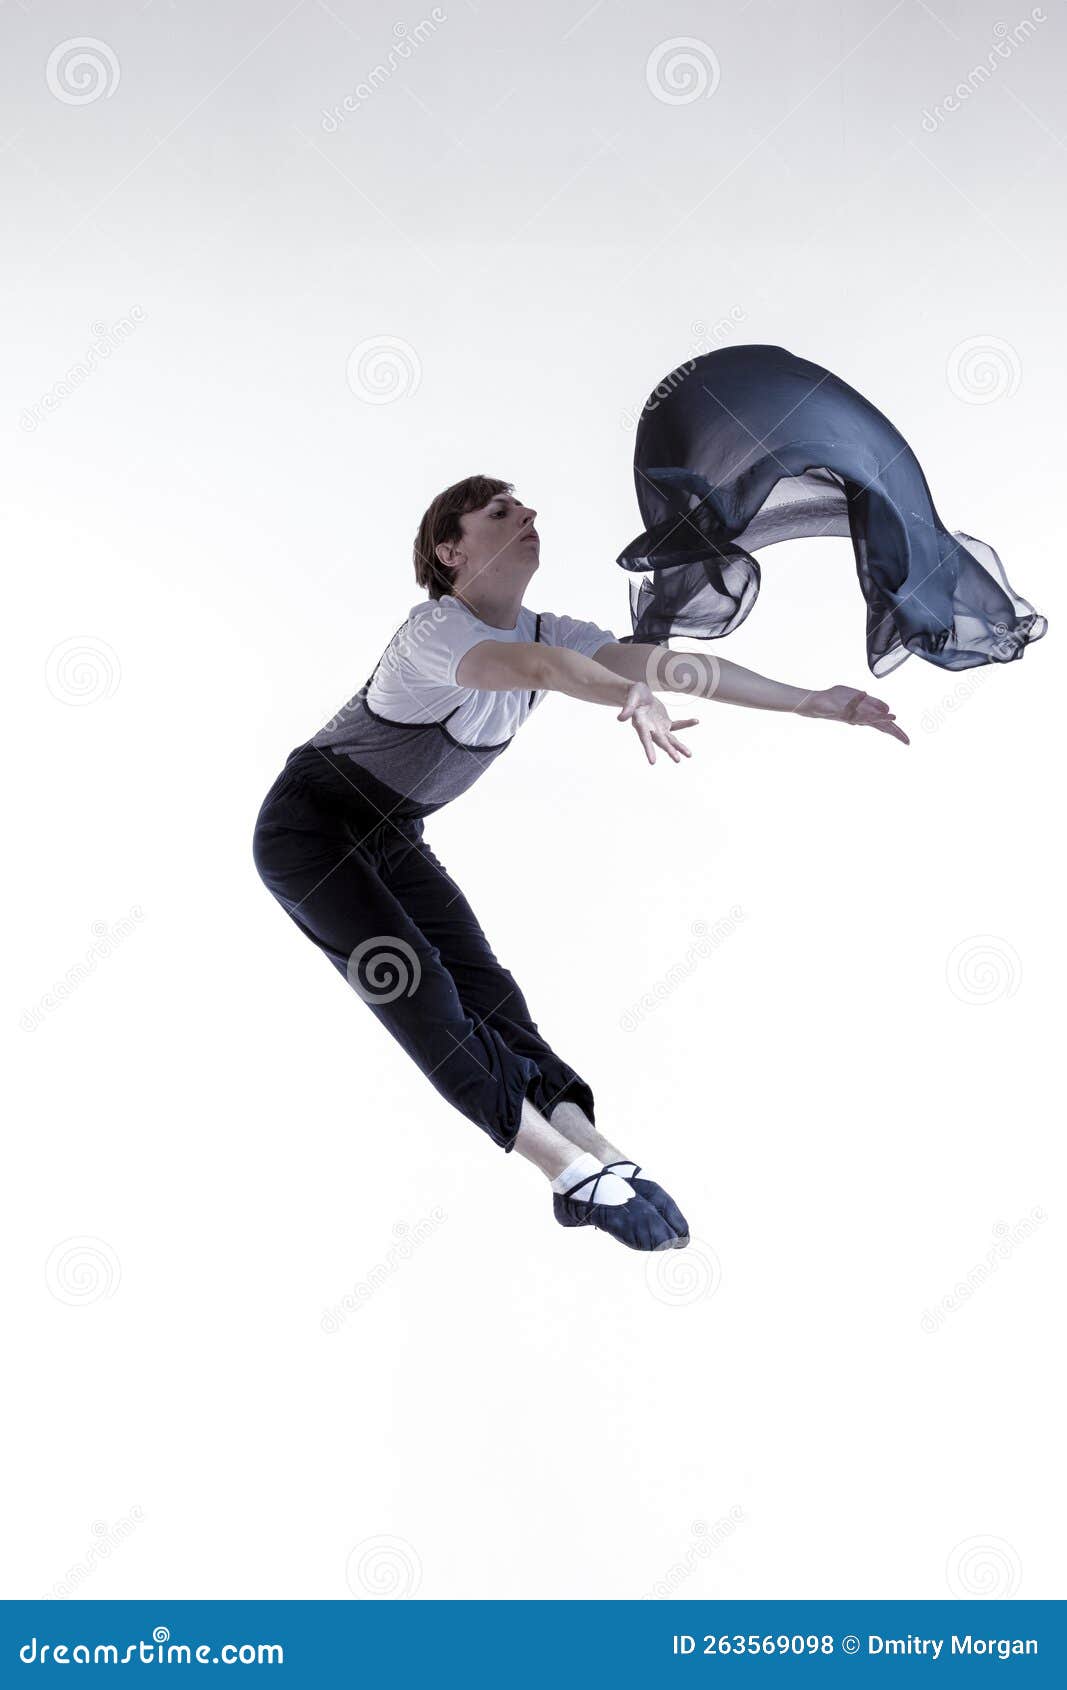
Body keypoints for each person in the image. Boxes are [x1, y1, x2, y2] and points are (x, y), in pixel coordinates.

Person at [252, 475, 907, 1254]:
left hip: (394, 834)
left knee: (492, 995)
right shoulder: (434, 633)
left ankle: (599, 1154)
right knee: (419, 984)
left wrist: (810, 700)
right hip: (310, 833)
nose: (528, 515)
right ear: (448, 550)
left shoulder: (547, 628)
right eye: (499, 512)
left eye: (526, 508)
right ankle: (565, 1173)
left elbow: (668, 666)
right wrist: (626, 697)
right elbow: (546, 673)